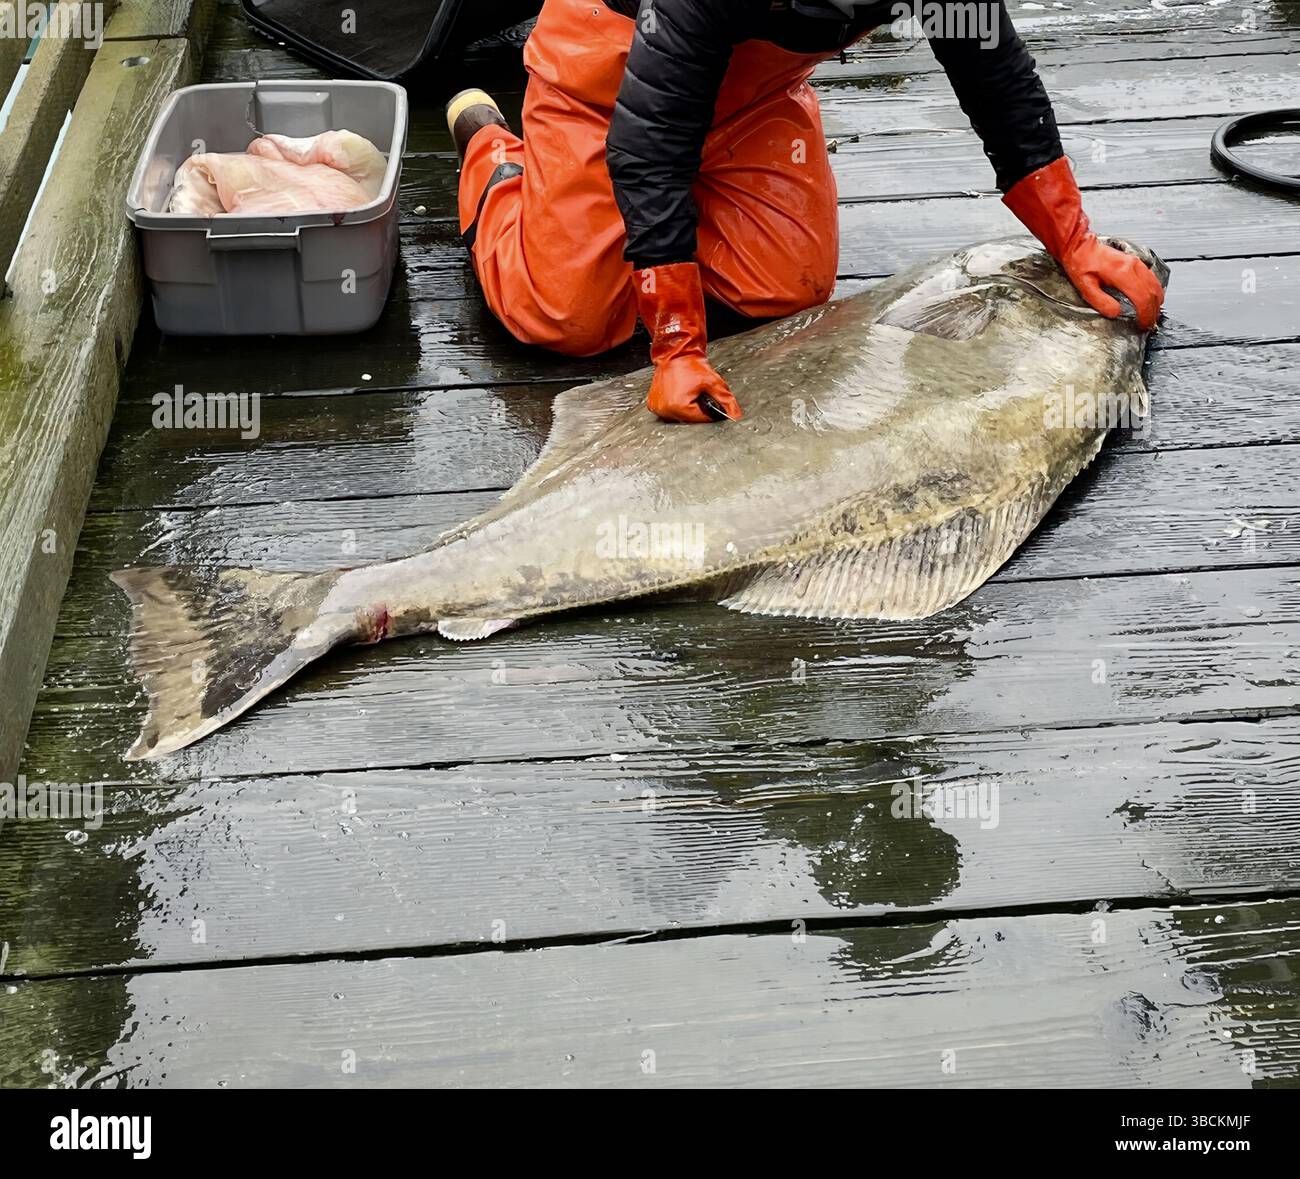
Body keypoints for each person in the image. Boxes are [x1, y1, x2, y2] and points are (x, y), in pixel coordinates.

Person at [447, 0, 1166, 424]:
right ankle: (495, 157)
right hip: (603, 90)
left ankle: (682, 199)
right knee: (569, 320)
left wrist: (1074, 241)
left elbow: (996, 76)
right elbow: (650, 142)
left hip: (752, 100)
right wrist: (678, 346)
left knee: (785, 291)